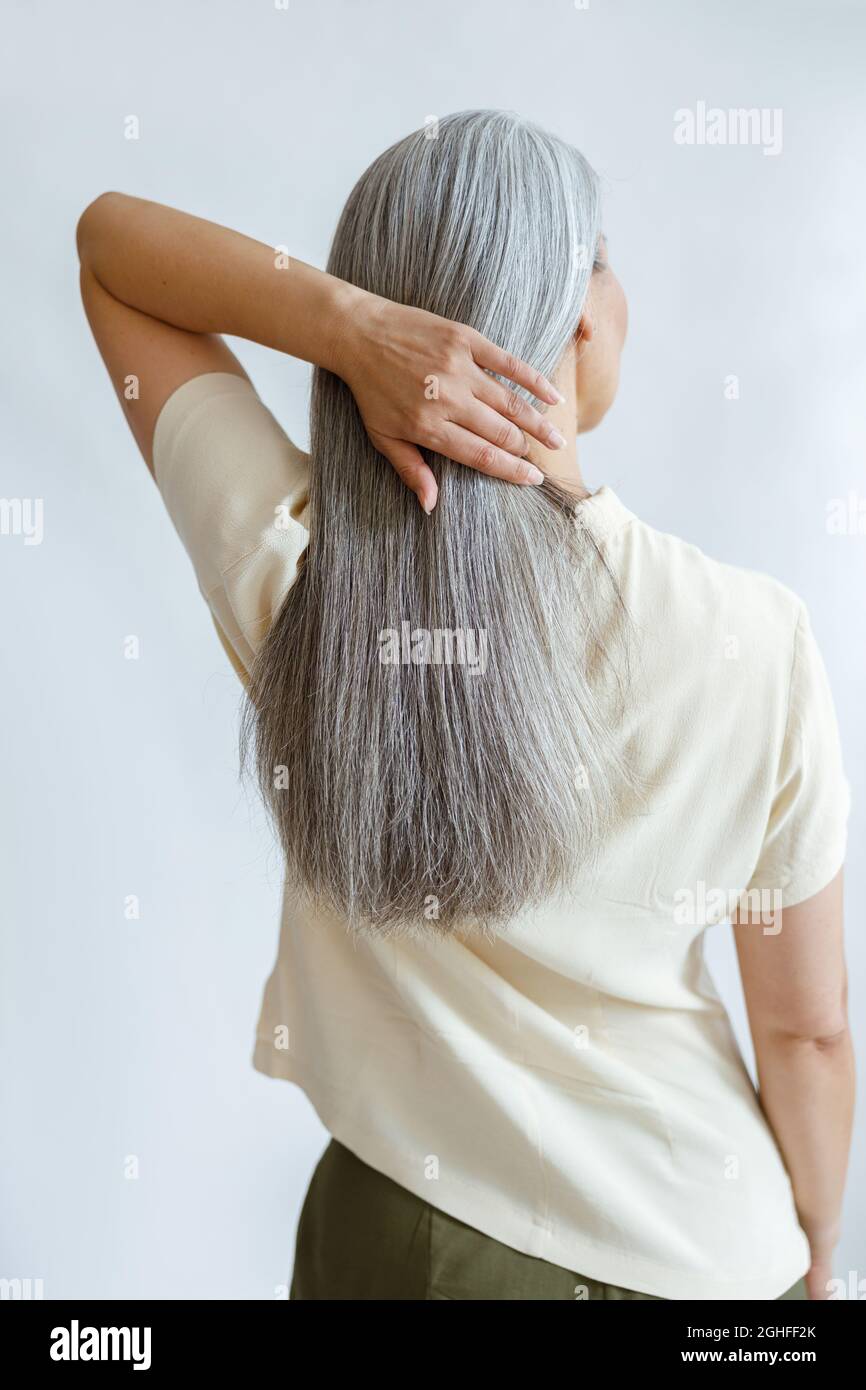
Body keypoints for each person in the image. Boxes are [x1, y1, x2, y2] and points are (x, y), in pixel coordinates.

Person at [77, 110, 852, 1301]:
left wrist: (346, 327)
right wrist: (811, 1253)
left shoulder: (299, 577)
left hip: (408, 1245)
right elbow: (803, 1031)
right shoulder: (758, 639)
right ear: (583, 324)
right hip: (703, 1262)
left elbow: (110, 250)